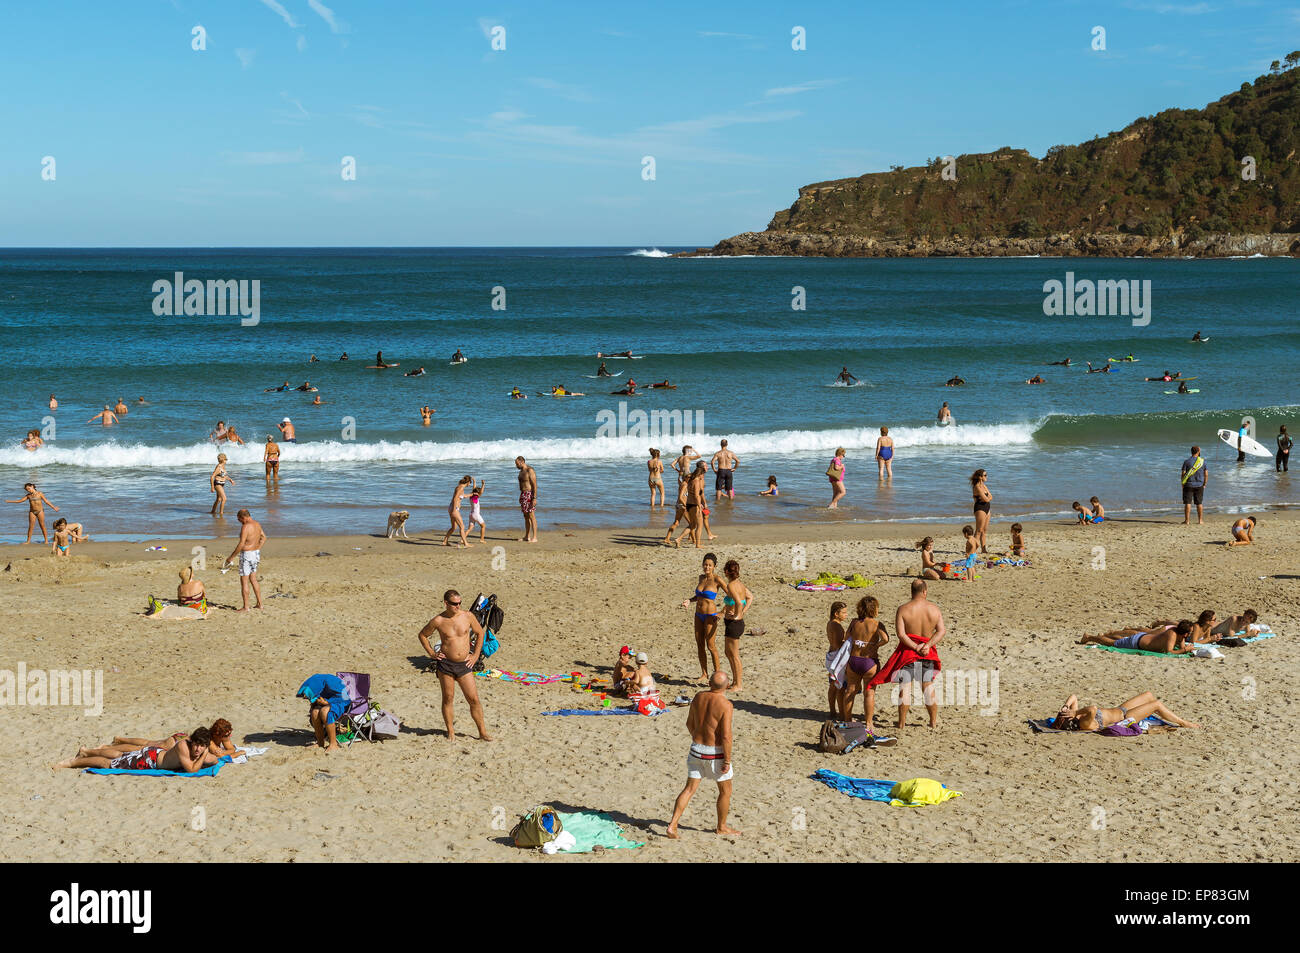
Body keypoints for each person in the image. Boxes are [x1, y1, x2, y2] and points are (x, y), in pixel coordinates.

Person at [665, 671, 737, 839]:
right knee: (725, 791)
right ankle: (722, 827)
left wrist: (698, 741)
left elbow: (689, 724)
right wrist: (727, 759)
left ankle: (673, 824)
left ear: (709, 684)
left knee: (689, 789)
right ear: (727, 686)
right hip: (715, 753)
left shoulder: (698, 697)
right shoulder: (726, 704)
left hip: (696, 748)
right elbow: (726, 736)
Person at [416, 589, 492, 741]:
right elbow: (422, 635)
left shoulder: (468, 616)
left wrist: (476, 655)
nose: (458, 606)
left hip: (464, 665)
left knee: (474, 699)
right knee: (448, 698)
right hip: (446, 665)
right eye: (454, 604)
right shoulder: (438, 620)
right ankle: (451, 732)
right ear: (446, 603)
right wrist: (432, 653)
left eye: (459, 603)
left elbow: (480, 633)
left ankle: (482, 732)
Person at [869, 580, 946, 729]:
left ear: (911, 591)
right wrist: (927, 645)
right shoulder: (934, 609)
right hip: (926, 652)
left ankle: (902, 723)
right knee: (928, 686)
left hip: (909, 652)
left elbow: (901, 634)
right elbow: (941, 631)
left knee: (905, 687)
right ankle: (933, 721)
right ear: (925, 591)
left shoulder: (903, 609)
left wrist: (915, 646)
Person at [53, 727, 219, 772]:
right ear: (192, 742)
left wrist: (207, 756)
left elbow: (215, 760)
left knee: (119, 754)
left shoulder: (198, 749)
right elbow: (190, 770)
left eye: (201, 747)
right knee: (108, 764)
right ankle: (72, 762)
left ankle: (86, 751)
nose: (197, 749)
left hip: (152, 754)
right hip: (150, 761)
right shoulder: (184, 746)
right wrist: (203, 755)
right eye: (196, 745)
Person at [840, 595, 888, 724]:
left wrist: (858, 641)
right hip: (869, 662)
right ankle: (868, 723)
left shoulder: (854, 622)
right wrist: (875, 645)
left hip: (854, 660)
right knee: (869, 693)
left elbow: (846, 636)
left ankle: (847, 719)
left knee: (850, 690)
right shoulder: (877, 624)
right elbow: (885, 639)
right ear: (874, 609)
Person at [1050, 692, 1199, 731]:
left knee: (1148, 695)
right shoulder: (1084, 723)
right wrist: (1075, 713)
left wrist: (1065, 706)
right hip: (1125, 717)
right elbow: (1093, 709)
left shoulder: (1075, 718)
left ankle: (1166, 717)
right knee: (1156, 704)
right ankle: (1183, 722)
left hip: (1120, 709)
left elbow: (1074, 697)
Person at [683, 553, 726, 683]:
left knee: (711, 646)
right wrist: (690, 600)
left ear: (714, 566)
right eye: (705, 564)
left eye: (710, 565)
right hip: (698, 615)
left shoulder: (717, 580)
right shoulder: (701, 578)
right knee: (700, 644)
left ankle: (717, 674)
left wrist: (722, 612)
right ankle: (704, 673)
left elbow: (731, 597)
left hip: (710, 616)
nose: (707, 567)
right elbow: (699, 597)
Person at [223, 509, 265, 612]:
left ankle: (246, 607)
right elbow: (264, 538)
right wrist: (257, 548)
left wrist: (231, 557)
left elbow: (241, 544)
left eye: (239, 520)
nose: (239, 522)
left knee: (244, 581)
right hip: (255, 553)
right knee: (253, 579)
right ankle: (260, 604)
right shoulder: (257, 524)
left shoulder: (245, 527)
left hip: (247, 555)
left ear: (243, 517)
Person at [296, 674, 351, 752]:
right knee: (315, 712)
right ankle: (320, 743)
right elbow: (315, 701)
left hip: (343, 701)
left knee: (325, 712)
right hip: (329, 701)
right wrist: (318, 703)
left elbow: (344, 697)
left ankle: (333, 744)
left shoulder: (330, 683)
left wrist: (326, 703)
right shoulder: (316, 683)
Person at [1078, 620, 1197, 654]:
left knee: (1120, 640)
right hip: (1137, 642)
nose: (1191, 634)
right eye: (1190, 632)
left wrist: (1187, 649)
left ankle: (1104, 635)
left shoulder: (1180, 636)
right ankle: (1089, 637)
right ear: (1185, 633)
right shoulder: (1172, 634)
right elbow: (1169, 651)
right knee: (1112, 644)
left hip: (1142, 638)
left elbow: (1182, 648)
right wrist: (1185, 649)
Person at [720, 559, 751, 691]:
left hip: (735, 623)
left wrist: (738, 614)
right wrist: (743, 611)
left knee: (734, 655)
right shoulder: (740, 584)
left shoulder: (732, 586)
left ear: (727, 572)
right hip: (733, 622)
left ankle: (738, 684)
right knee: (728, 653)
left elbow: (738, 602)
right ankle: (734, 681)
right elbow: (750, 597)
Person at [824, 601, 850, 717]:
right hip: (836, 656)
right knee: (840, 686)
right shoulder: (837, 626)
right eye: (843, 613)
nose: (846, 615)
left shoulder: (830, 623)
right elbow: (837, 644)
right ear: (836, 614)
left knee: (833, 685)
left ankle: (832, 710)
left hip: (831, 654)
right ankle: (841, 713)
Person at [443, 475, 474, 548]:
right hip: (454, 508)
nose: (469, 485)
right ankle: (466, 543)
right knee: (462, 526)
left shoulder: (459, 487)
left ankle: (445, 541)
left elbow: (463, 496)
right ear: (468, 482)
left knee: (454, 527)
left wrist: (472, 494)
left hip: (451, 508)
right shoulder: (461, 488)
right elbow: (455, 498)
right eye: (470, 483)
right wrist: (454, 510)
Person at [1180, 445, 1207, 525]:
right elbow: (1206, 474)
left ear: (1191, 452)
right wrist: (1204, 483)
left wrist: (1182, 483)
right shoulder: (1203, 462)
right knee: (1199, 503)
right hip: (1199, 484)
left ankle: (1187, 521)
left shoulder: (1187, 461)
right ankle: (1200, 520)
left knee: (1188, 503)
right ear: (1198, 451)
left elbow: (1183, 474)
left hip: (1188, 484)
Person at [516, 456, 538, 542]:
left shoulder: (530, 470)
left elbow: (534, 485)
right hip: (523, 495)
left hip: (529, 494)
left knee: (532, 516)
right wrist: (521, 496)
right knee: (526, 516)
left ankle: (535, 537)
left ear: (521, 462)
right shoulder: (521, 471)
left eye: (517, 464)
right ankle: (527, 536)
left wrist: (534, 498)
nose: (516, 466)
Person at [971, 468, 992, 552]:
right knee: (979, 530)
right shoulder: (977, 487)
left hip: (987, 508)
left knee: (984, 530)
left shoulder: (983, 485)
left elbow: (990, 496)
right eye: (985, 475)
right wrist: (987, 498)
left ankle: (984, 549)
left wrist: (987, 498)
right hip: (980, 508)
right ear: (980, 477)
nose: (986, 477)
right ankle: (973, 549)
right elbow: (987, 499)